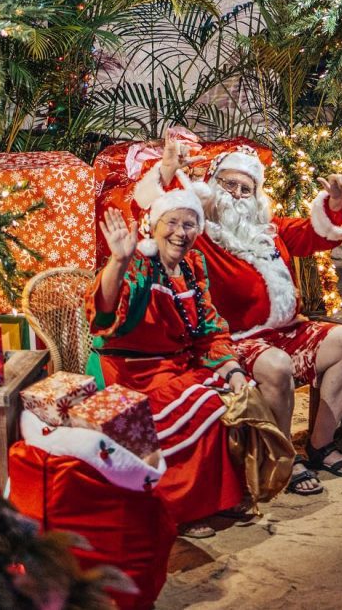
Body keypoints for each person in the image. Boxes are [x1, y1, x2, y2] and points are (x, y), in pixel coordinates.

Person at [133, 139, 342, 495]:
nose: (238, 194)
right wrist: (168, 167)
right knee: (276, 365)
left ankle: (320, 445)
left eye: (247, 188)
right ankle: (284, 456)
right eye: (229, 184)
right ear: (211, 186)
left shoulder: (269, 231)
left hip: (287, 331)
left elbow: (316, 235)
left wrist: (335, 203)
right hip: (235, 341)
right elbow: (161, 210)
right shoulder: (199, 234)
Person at [86, 190, 247, 539]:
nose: (180, 231)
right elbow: (105, 311)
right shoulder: (139, 263)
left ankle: (216, 498)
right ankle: (179, 510)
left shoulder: (192, 267)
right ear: (153, 226)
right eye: (171, 222)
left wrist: (232, 369)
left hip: (174, 368)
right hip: (129, 372)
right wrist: (117, 262)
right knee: (202, 404)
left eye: (189, 224)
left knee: (224, 393)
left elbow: (208, 330)